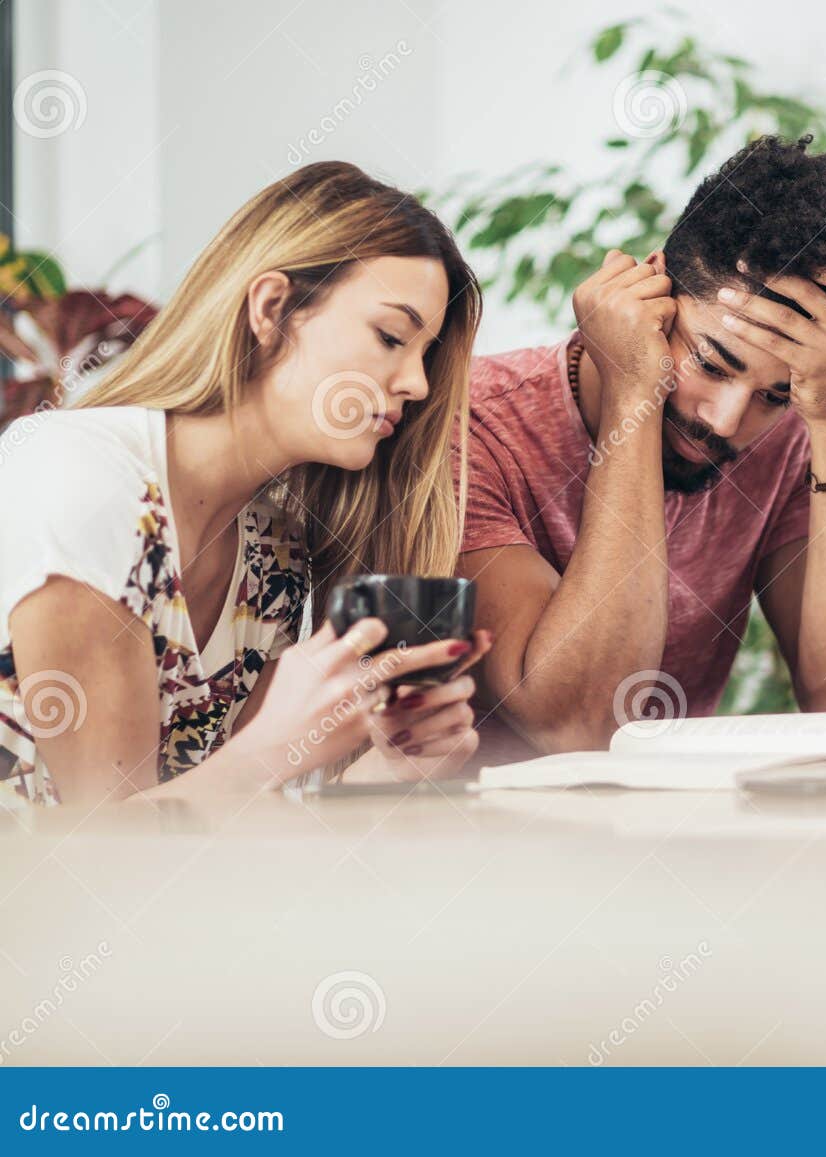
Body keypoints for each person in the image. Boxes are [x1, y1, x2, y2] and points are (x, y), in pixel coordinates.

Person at [0, 162, 492, 807]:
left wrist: (384, 775)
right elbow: (102, 856)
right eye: (391, 337)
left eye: (425, 355)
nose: (417, 385)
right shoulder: (78, 474)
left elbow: (210, 834)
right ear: (272, 307)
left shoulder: (271, 555)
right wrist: (276, 744)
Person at [458, 135, 826, 757]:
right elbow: (582, 725)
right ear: (652, 291)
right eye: (711, 362)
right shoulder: (474, 424)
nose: (727, 421)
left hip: (677, 835)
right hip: (473, 839)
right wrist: (634, 393)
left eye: (775, 395)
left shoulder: (788, 442)